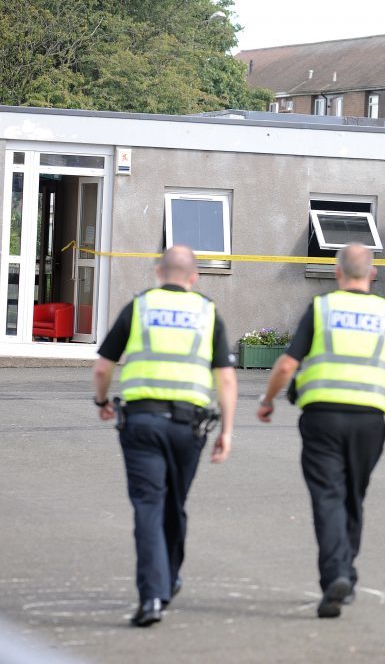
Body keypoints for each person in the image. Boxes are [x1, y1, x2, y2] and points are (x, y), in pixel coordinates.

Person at [257, 243, 385, 619]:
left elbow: (286, 365)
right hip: (370, 422)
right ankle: (345, 569)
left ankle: (336, 574)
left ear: (337, 272)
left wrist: (267, 400)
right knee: (352, 495)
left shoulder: (321, 308)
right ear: (373, 273)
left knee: (328, 497)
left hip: (323, 419)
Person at [93, 245, 237, 627]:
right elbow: (225, 377)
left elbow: (103, 366)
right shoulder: (207, 312)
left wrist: (102, 400)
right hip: (188, 428)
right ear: (194, 277)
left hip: (141, 424)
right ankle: (166, 579)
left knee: (148, 506)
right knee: (174, 503)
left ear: (159, 272)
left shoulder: (139, 306)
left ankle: (153, 596)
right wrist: (228, 430)